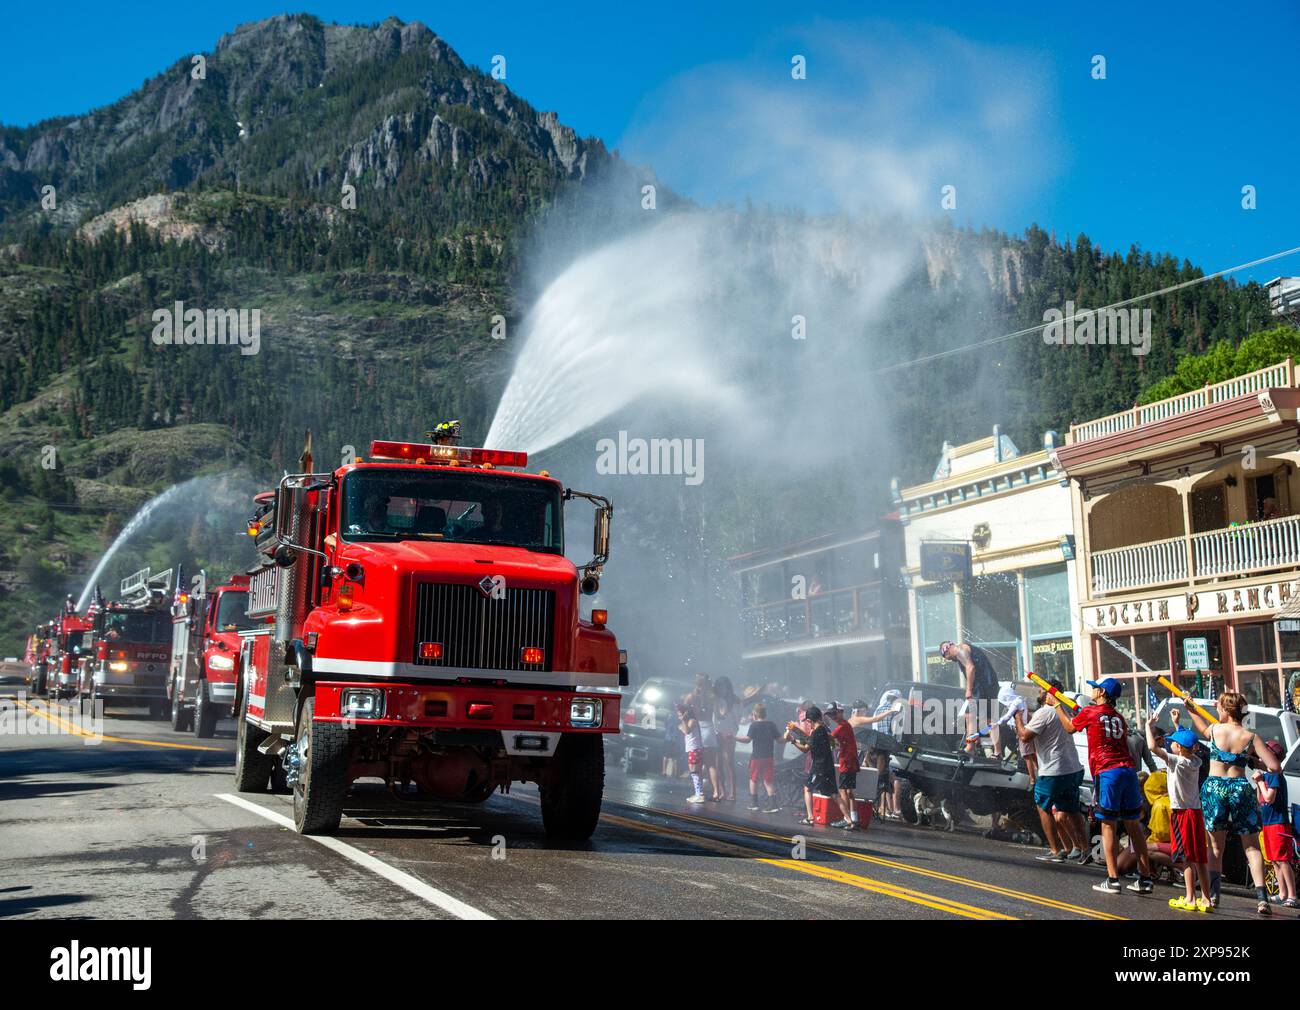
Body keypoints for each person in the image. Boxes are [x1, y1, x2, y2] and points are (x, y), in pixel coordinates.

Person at [1185, 690, 1282, 914]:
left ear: (1227, 710)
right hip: (1240, 787)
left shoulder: (1215, 730)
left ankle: (1215, 896)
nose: (1216, 710)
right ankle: (1262, 899)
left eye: (1218, 707)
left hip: (1215, 787)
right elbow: (1275, 767)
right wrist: (1252, 760)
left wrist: (1192, 712)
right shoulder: (1250, 736)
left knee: (1216, 846)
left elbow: (1201, 728)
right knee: (1251, 846)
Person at [1054, 678, 1154, 894]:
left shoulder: (1091, 712)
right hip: (1128, 771)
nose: (1091, 690)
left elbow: (1070, 727)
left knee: (1107, 825)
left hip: (1108, 772)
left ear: (1101, 692)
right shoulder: (1119, 717)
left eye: (1094, 688)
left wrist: (1056, 707)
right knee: (1133, 825)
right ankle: (1145, 878)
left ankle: (1112, 879)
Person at [1014, 677, 1088, 863]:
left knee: (1042, 806)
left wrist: (1018, 719)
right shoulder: (1065, 709)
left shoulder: (1045, 712)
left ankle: (1056, 850)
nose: (1039, 692)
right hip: (1072, 768)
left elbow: (1024, 736)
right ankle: (1083, 848)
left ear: (1049, 693)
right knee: (1071, 809)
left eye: (1041, 689)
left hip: (1053, 771)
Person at [1149, 720, 1211, 912]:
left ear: (1179, 748)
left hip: (1181, 814)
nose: (1170, 744)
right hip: (1196, 812)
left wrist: (1148, 726)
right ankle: (1206, 900)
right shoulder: (1195, 761)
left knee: (1186, 858)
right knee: (1200, 857)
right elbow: (1186, 742)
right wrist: (1177, 725)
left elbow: (1152, 747)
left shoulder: (1175, 761)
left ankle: (1190, 898)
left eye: (1174, 743)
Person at [1254, 739, 1298, 909]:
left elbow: (1269, 798)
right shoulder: (1268, 775)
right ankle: (1283, 893)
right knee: (1274, 860)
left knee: (1283, 859)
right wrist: (1259, 783)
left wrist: (1259, 782)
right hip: (1268, 823)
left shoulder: (1275, 775)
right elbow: (1261, 799)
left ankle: (1292, 895)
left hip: (1278, 823)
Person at [938, 640, 1000, 755]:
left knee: (970, 715)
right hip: (989, 684)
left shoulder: (959, 651)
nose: (950, 660)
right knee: (990, 720)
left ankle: (970, 747)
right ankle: (998, 752)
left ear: (946, 650)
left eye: (947, 657)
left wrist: (969, 689)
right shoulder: (965, 648)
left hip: (982, 686)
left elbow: (970, 668)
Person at [787, 705, 836, 827]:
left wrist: (793, 740)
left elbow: (806, 748)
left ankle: (810, 817)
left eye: (808, 722)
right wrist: (797, 731)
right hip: (827, 765)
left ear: (809, 720)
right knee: (834, 794)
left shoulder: (817, 731)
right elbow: (811, 740)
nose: (808, 724)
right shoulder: (824, 729)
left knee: (808, 788)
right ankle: (848, 818)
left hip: (819, 766)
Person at [736, 703, 781, 813]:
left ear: (754, 715)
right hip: (769, 757)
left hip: (757, 757)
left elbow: (747, 740)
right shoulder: (771, 725)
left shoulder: (754, 725)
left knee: (753, 779)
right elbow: (780, 740)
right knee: (768, 781)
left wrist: (734, 738)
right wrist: (790, 737)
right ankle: (773, 805)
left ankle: (754, 803)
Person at [827, 703, 859, 830]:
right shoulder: (846, 725)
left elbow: (829, 738)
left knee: (843, 790)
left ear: (841, 712)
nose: (832, 716)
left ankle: (847, 819)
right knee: (850, 792)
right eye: (830, 714)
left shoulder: (842, 727)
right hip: (852, 761)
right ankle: (854, 819)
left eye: (834, 713)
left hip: (847, 762)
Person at [714, 676, 740, 802]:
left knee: (729, 762)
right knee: (718, 763)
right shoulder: (716, 700)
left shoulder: (735, 700)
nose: (721, 690)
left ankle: (733, 792)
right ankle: (722, 791)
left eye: (723, 687)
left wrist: (733, 731)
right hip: (716, 732)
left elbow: (737, 718)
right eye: (718, 687)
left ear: (728, 687)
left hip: (728, 733)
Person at [677, 697, 706, 804]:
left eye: (680, 713)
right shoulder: (688, 721)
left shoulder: (692, 720)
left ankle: (700, 795)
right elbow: (683, 729)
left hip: (695, 749)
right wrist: (683, 723)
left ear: (686, 713)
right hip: (693, 749)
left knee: (694, 771)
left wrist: (683, 720)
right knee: (695, 772)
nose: (679, 715)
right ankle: (698, 793)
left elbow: (687, 731)